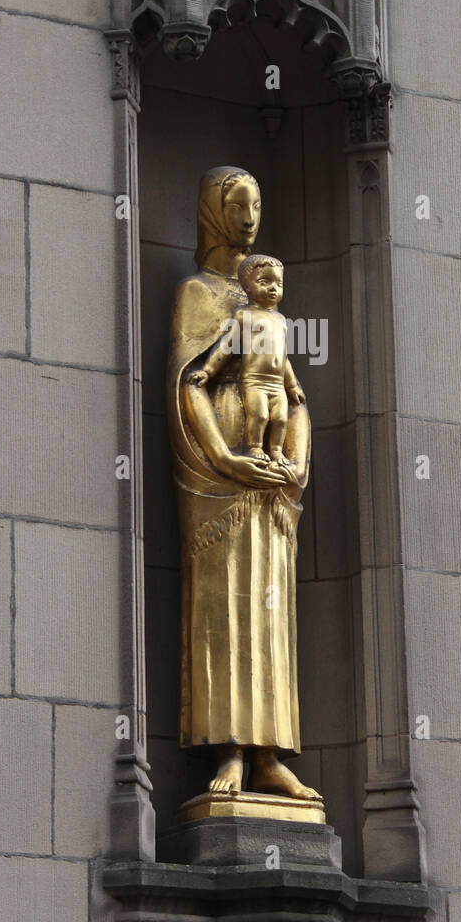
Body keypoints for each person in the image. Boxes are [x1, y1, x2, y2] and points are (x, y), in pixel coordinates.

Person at [166, 167, 321, 801]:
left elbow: (298, 397)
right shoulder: (197, 294)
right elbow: (187, 385)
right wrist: (226, 460)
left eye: (257, 205)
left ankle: (269, 755)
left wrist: (298, 462)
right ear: (211, 212)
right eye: (236, 205)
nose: (249, 217)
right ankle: (227, 750)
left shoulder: (272, 313)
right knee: (223, 608)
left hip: (272, 484)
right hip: (218, 479)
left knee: (271, 610)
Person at [187, 254, 306, 467]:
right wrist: (208, 371)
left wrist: (293, 385)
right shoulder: (244, 316)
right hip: (255, 381)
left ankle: (277, 451)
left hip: (277, 383)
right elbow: (227, 346)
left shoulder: (280, 320)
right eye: (265, 282)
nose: (273, 288)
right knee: (259, 415)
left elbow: (284, 358)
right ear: (247, 287)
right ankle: (255, 447)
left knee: (280, 418)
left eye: (278, 284)